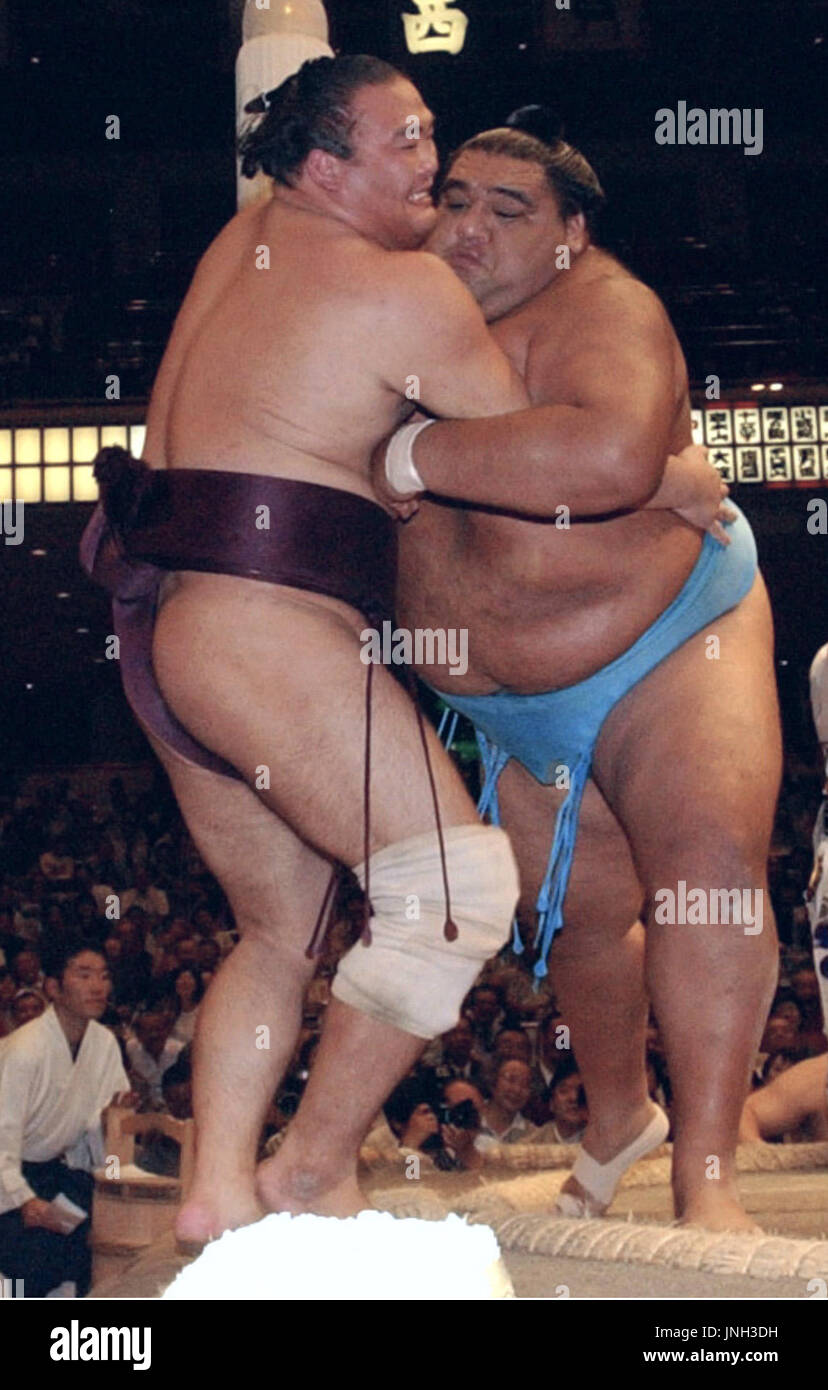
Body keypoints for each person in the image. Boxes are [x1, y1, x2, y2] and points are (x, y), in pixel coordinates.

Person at [80, 54, 530, 1245]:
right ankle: (309, 1165)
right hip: (266, 630)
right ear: (325, 167)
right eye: (404, 141)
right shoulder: (406, 292)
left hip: (171, 628)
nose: (433, 161)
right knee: (455, 888)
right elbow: (528, 455)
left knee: (281, 933)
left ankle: (216, 1195)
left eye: (430, 132)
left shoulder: (240, 247)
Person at [380, 114, 780, 1230]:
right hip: (508, 703)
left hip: (667, 639)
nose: (471, 227)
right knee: (586, 923)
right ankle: (618, 1119)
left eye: (510, 211)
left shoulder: (605, 305)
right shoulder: (391, 306)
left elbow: (606, 452)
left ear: (572, 234)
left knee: (702, 860)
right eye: (455, 200)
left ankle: (709, 1179)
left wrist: (402, 453)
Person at [0, 935, 130, 1297]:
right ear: (54, 987)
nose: (97, 986)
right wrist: (23, 1199)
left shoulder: (103, 1043)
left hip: (62, 1172)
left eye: (103, 976)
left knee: (96, 1232)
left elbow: (100, 1130)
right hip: (12, 1178)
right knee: (26, 1262)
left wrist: (113, 1116)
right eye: (84, 975)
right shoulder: (24, 1050)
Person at [478, 1057, 534, 1145]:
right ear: (493, 1081)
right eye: (511, 1080)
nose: (517, 1090)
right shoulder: (471, 1119)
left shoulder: (533, 1136)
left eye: (525, 1084)